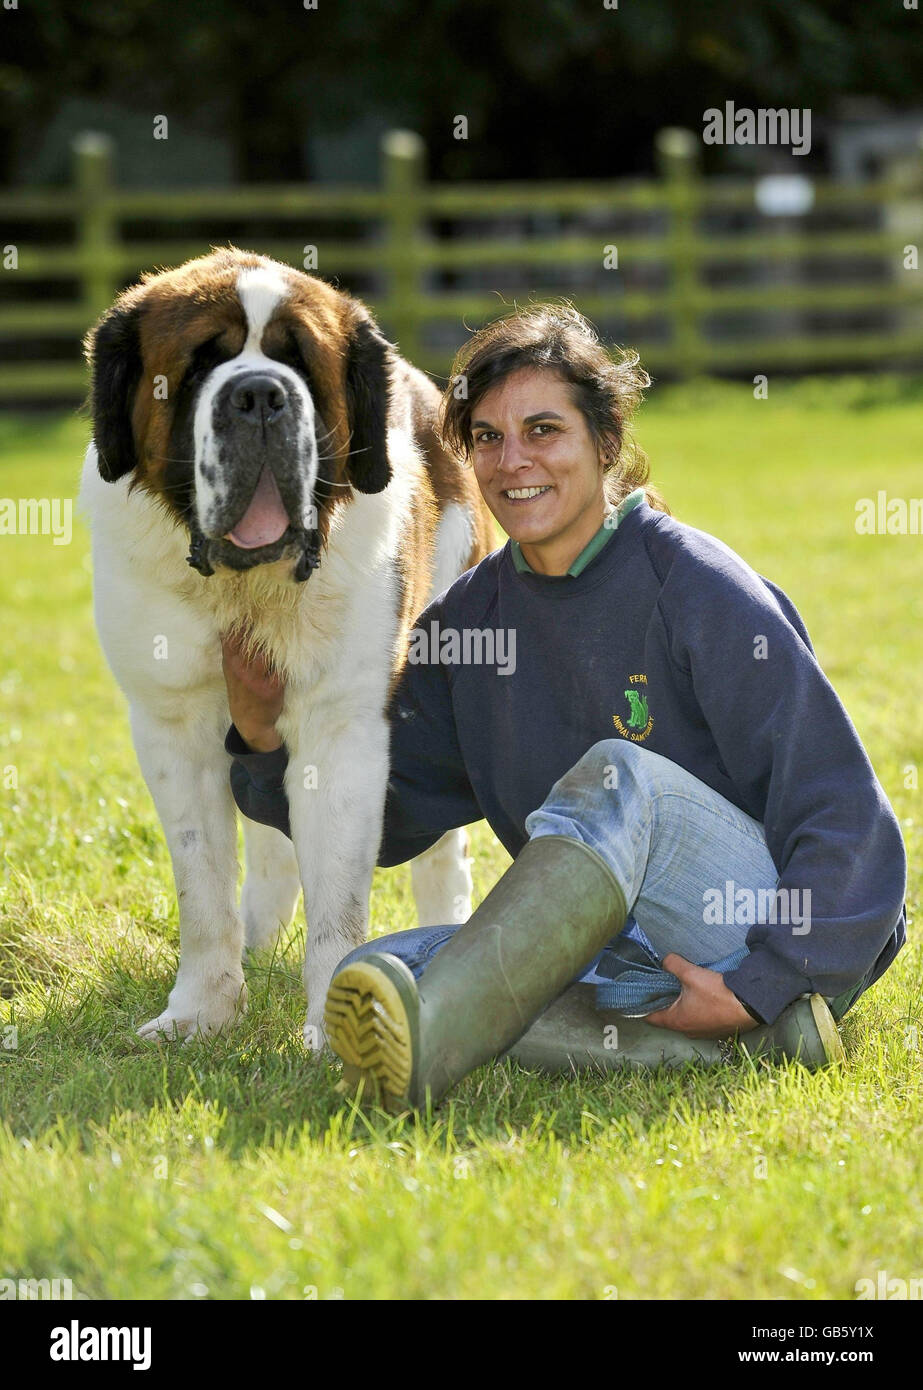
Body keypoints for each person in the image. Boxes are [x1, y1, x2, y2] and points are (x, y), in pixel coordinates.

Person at [223, 305, 907, 1112]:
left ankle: (443, 1041)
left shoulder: (695, 587)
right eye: (485, 437)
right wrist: (265, 733)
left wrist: (764, 977)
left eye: (543, 430)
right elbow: (374, 813)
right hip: (611, 950)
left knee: (616, 778)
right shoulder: (466, 626)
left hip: (755, 924)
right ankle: (758, 1040)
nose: (513, 462)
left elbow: (844, 814)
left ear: (605, 442)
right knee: (373, 978)